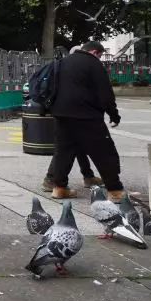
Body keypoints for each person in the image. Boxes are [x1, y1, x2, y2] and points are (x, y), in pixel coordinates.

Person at [48, 40, 124, 202]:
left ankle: (59, 188)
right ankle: (115, 190)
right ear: (96, 52)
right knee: (104, 152)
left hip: (62, 114)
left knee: (63, 152)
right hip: (87, 116)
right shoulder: (94, 65)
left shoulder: (62, 62)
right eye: (101, 55)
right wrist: (113, 115)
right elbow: (105, 94)